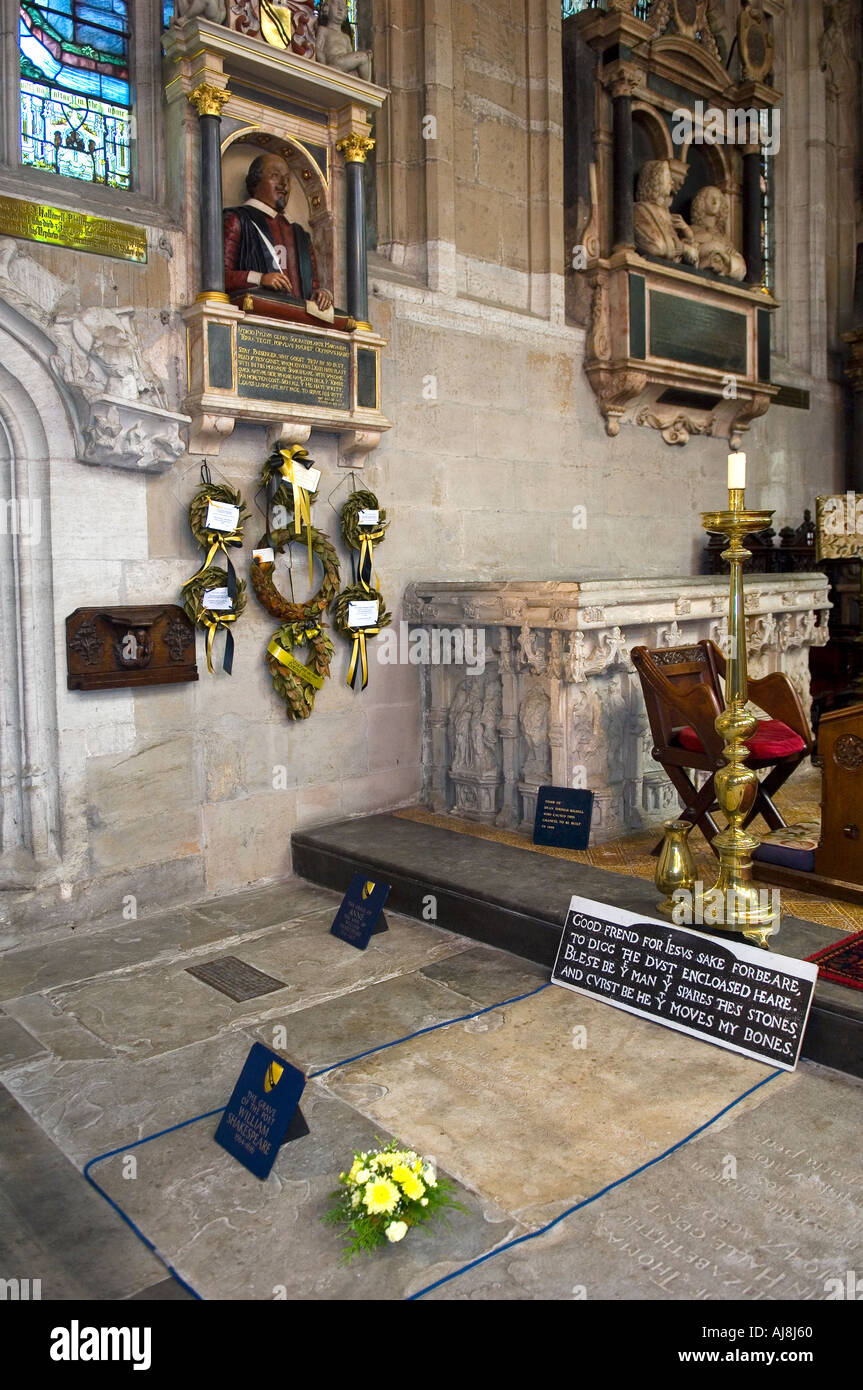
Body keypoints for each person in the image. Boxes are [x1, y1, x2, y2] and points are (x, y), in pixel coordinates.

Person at [223, 153, 334, 313]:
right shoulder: (238, 219)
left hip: (297, 325)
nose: (284, 184)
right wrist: (260, 279)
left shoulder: (300, 235)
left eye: (287, 179)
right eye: (275, 176)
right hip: (257, 320)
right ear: (255, 182)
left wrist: (321, 295)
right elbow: (220, 277)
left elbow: (311, 288)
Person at [633, 159, 698, 266]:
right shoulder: (640, 210)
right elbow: (657, 247)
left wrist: (688, 236)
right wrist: (684, 248)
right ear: (655, 179)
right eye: (667, 177)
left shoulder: (668, 215)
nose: (671, 182)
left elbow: (693, 258)